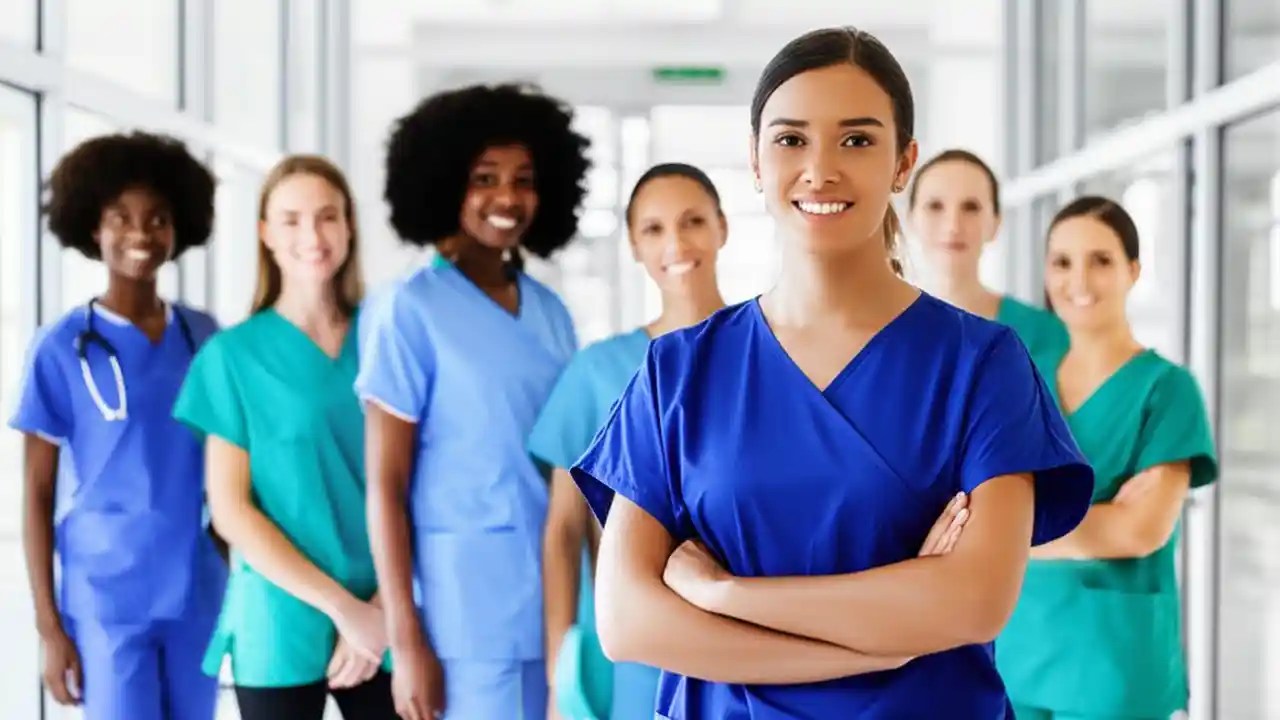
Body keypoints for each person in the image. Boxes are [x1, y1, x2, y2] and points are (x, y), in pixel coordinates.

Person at [568, 27, 1097, 719]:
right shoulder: (680, 371)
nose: (820, 169)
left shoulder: (983, 364)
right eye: (790, 140)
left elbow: (974, 602)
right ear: (755, 161)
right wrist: (881, 642)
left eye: (856, 140)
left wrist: (725, 595)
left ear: (904, 162)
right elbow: (629, 623)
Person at [358, 82, 591, 720]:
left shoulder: (551, 312)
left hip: (554, 594)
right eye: (485, 178)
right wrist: (405, 641)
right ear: (443, 183)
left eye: (524, 179)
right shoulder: (409, 309)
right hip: (460, 613)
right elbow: (385, 483)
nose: (507, 198)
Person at [10, 132, 226, 720]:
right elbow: (35, 493)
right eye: (121, 218)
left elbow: (234, 468)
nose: (140, 234)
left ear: (179, 228)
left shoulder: (204, 338)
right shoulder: (60, 347)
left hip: (195, 590)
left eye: (157, 218)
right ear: (93, 229)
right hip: (104, 599)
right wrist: (49, 628)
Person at [173, 155, 396, 719]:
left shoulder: (389, 338)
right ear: (265, 233)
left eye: (327, 217)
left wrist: (384, 606)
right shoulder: (232, 357)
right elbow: (231, 512)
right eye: (291, 219)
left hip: (387, 603)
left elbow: (423, 483)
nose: (312, 236)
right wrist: (347, 611)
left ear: (349, 227)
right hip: (279, 611)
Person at [996, 197, 1218, 720]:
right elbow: (974, 503)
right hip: (1017, 648)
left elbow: (1138, 531)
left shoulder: (1165, 389)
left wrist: (1009, 530)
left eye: (1101, 260)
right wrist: (1092, 522)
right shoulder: (1021, 378)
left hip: (1115, 662)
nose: (1079, 280)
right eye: (1062, 262)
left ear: (1133, 271)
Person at [529, 163, 728, 720]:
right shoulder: (597, 372)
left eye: (693, 221)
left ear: (722, 228)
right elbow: (564, 532)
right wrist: (558, 678)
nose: (677, 243)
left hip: (741, 626)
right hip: (629, 642)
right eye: (655, 229)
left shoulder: (771, 354)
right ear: (636, 247)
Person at [906, 148, 1068, 355]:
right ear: (911, 219)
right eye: (935, 206)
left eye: (971, 207)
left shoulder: (1046, 336)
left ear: (996, 223)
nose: (952, 226)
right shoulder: (877, 332)